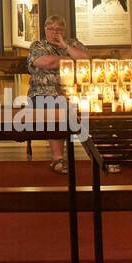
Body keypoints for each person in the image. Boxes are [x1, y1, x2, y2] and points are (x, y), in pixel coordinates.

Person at [26, 15, 101, 175]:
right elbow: (46, 62)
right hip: (43, 94)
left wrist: (66, 47)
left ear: (64, 31)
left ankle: (100, 157)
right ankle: (58, 159)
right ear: (45, 30)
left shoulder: (73, 44)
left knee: (94, 108)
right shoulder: (38, 45)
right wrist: (71, 60)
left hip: (75, 93)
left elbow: (87, 60)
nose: (55, 32)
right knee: (57, 108)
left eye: (59, 29)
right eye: (51, 29)